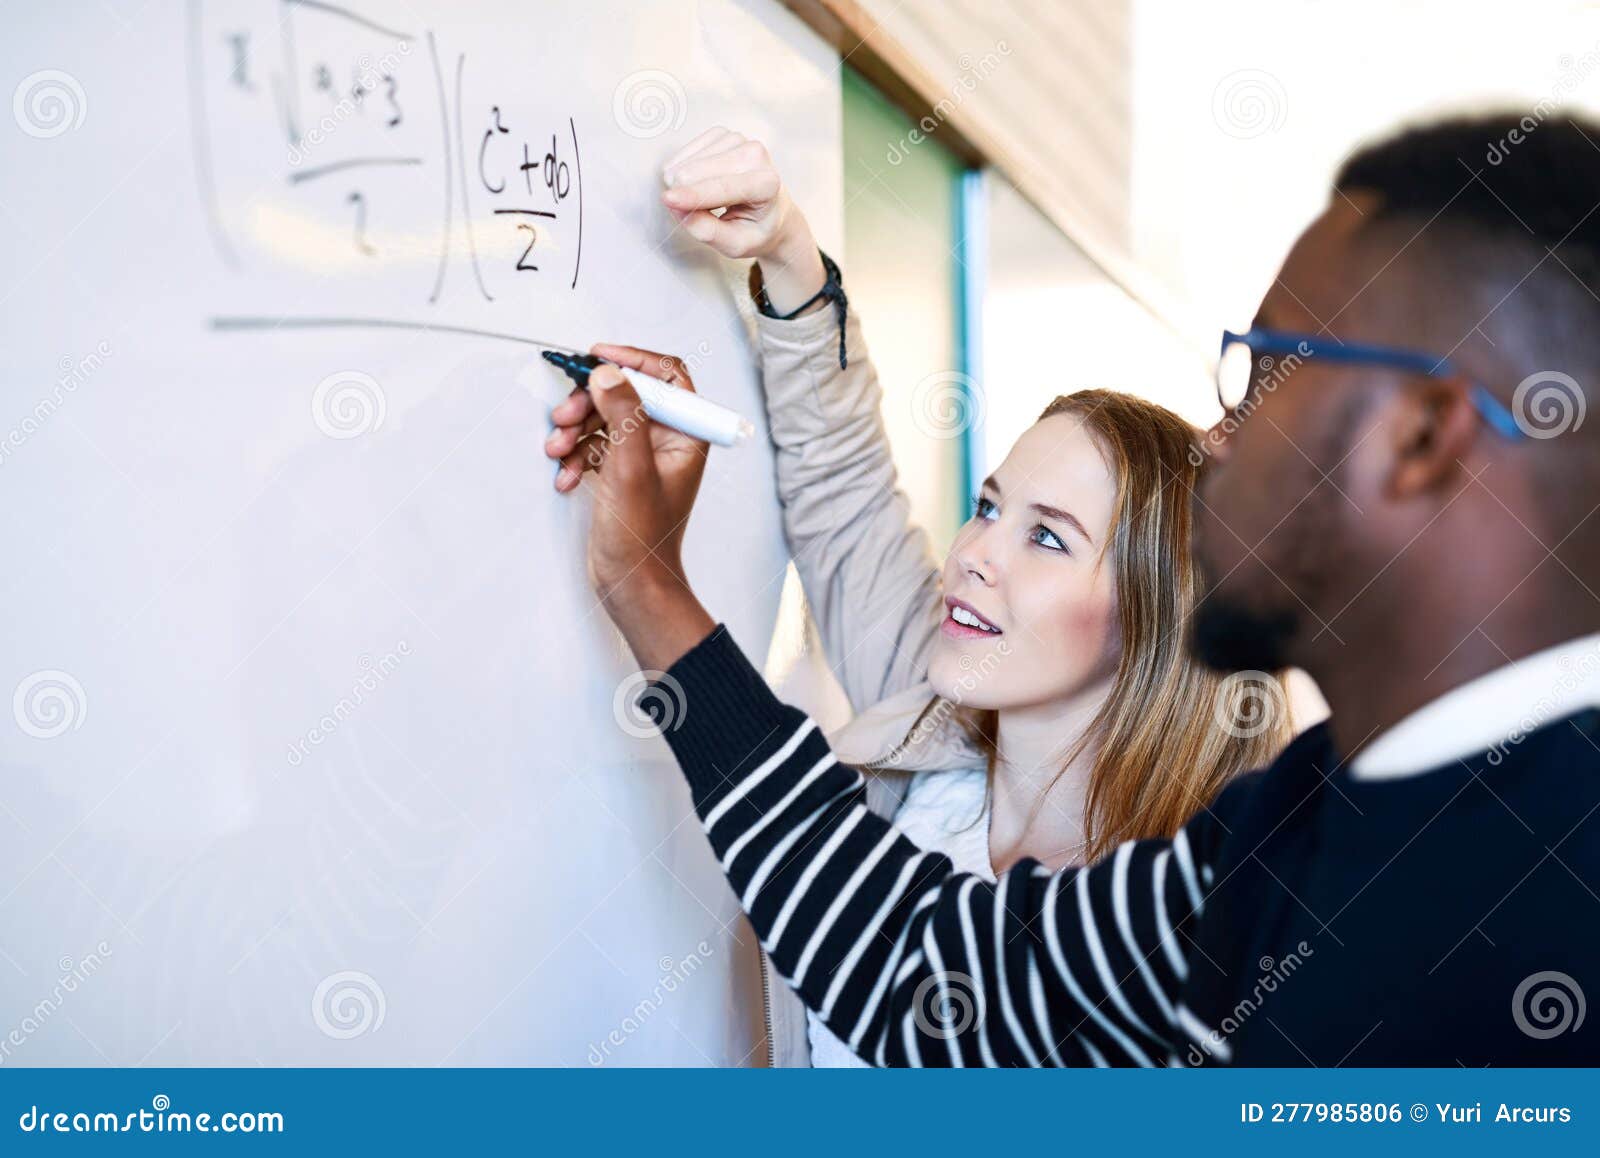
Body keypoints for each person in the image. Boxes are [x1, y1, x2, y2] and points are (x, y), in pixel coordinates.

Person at [559, 112, 1600, 1065]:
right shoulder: (1277, 840)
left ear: (1418, 439)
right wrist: (648, 580)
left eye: (1269, 372)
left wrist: (650, 584)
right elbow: (922, 973)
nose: (1218, 436)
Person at [544, 132, 1290, 1065]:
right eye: (988, 506)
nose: (974, 551)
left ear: (1152, 623)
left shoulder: (1187, 928)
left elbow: (917, 976)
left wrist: (645, 580)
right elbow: (846, 503)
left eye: (1048, 537)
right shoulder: (938, 733)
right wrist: (789, 263)